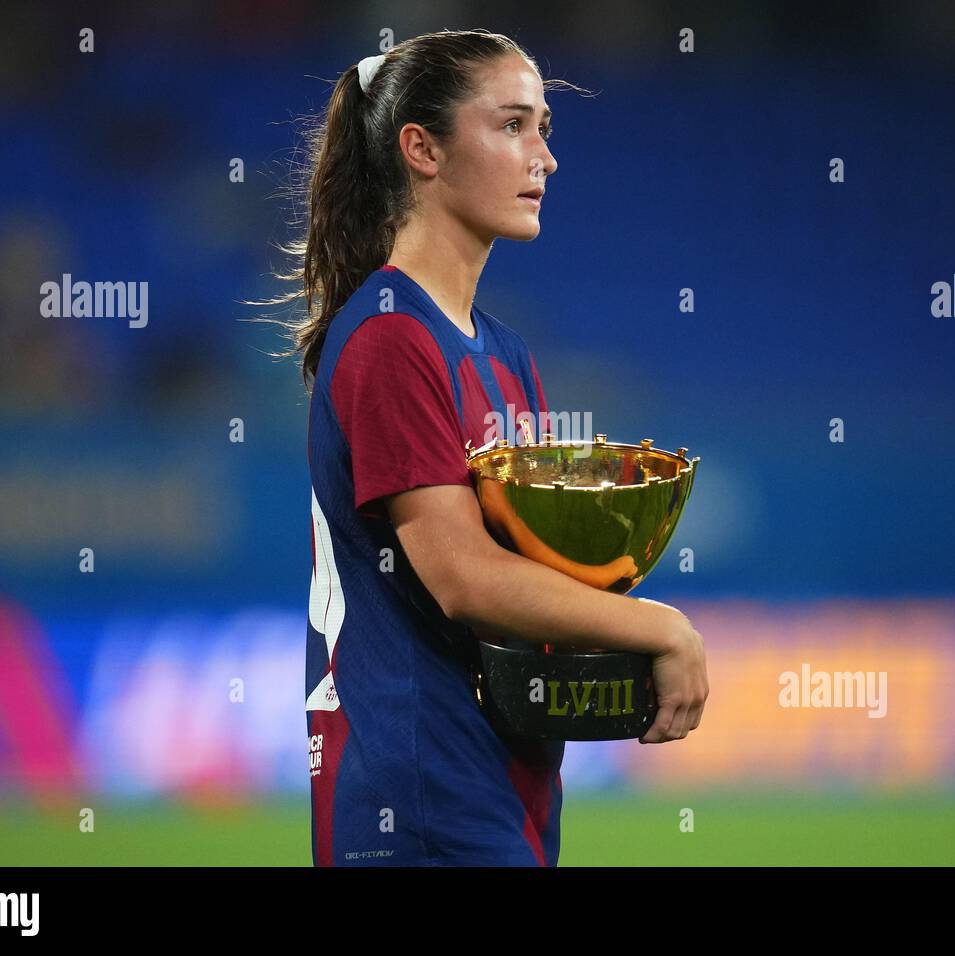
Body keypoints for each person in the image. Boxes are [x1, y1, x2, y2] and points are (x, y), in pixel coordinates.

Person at [268, 29, 708, 866]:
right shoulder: (392, 338)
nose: (543, 157)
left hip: (501, 779)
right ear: (422, 149)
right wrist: (659, 626)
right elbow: (463, 576)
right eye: (511, 125)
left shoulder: (503, 353)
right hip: (418, 791)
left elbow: (521, 572)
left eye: (544, 128)